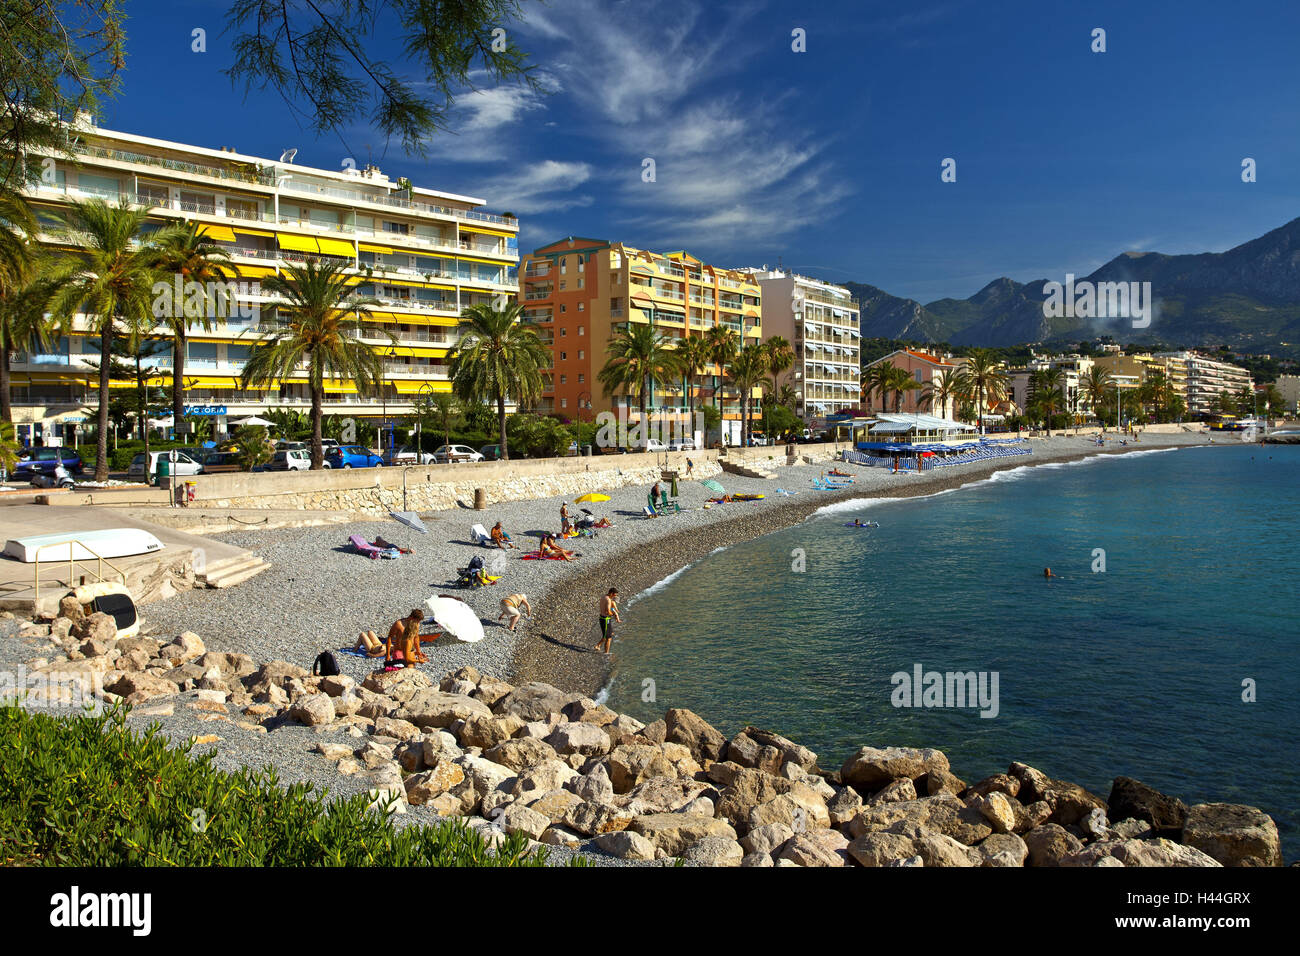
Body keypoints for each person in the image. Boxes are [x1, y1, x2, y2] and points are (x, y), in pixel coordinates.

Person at [595, 587, 621, 655]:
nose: (615, 596)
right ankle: (606, 653)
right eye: (615, 595)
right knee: (608, 638)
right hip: (605, 619)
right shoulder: (608, 600)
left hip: (603, 618)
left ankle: (598, 645)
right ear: (611, 593)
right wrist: (614, 614)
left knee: (610, 634)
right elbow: (608, 611)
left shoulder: (604, 596)